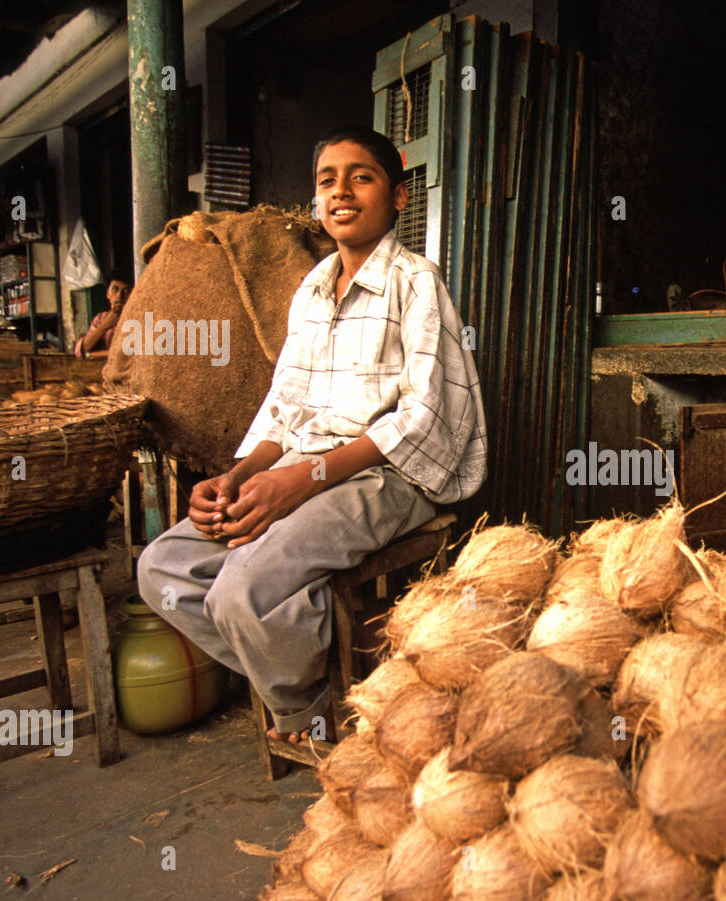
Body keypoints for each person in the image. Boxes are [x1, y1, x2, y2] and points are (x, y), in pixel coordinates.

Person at [137, 126, 488, 744]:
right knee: (163, 568)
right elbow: (285, 406)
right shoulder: (312, 289)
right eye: (328, 180)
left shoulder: (416, 281)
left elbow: (422, 417)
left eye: (362, 176)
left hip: (386, 475)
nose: (342, 191)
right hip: (301, 468)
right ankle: (323, 676)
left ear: (399, 198)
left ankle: (309, 711)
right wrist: (239, 476)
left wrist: (304, 480)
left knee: (243, 590)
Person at [75, 273, 132, 358]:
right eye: (114, 289)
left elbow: (127, 353)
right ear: (108, 294)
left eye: (126, 291)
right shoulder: (100, 318)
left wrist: (91, 355)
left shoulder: (137, 320)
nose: (119, 295)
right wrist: (106, 325)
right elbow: (80, 351)